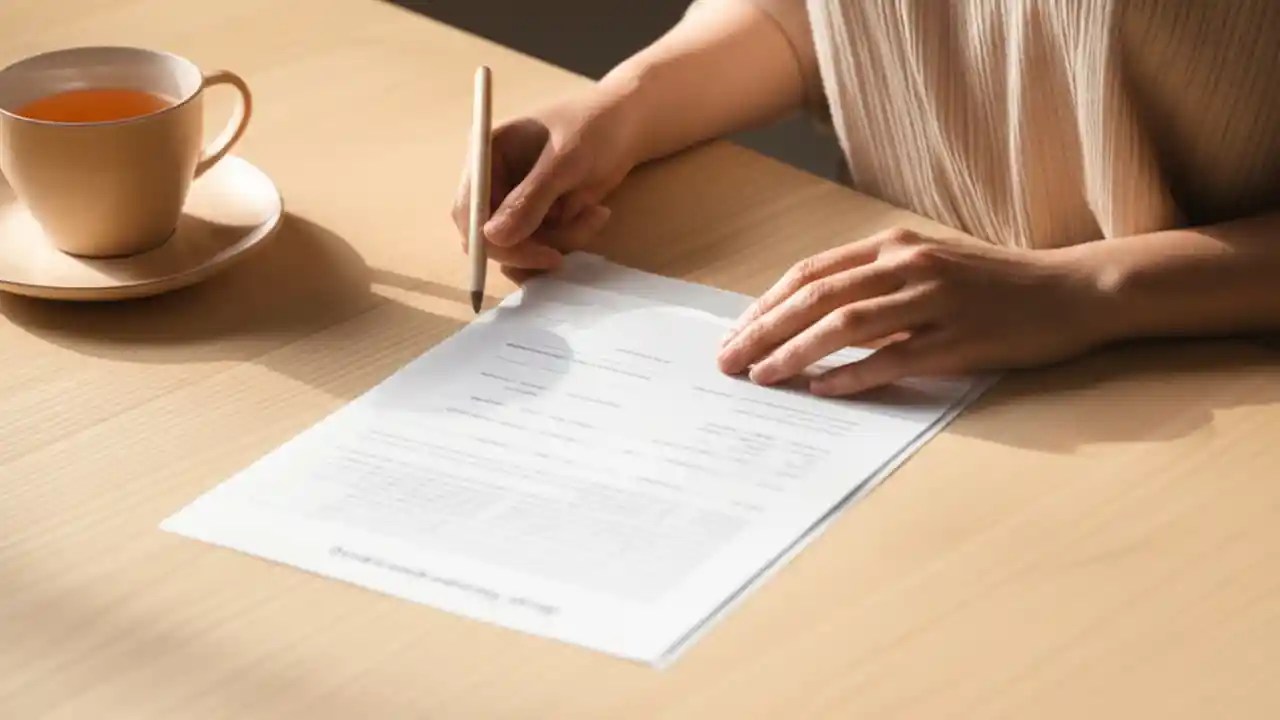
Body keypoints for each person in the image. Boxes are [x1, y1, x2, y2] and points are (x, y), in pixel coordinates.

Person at [452, 0, 1280, 396]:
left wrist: (1086, 288)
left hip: (1205, 385)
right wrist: (626, 106)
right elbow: (822, 21)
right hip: (925, 369)